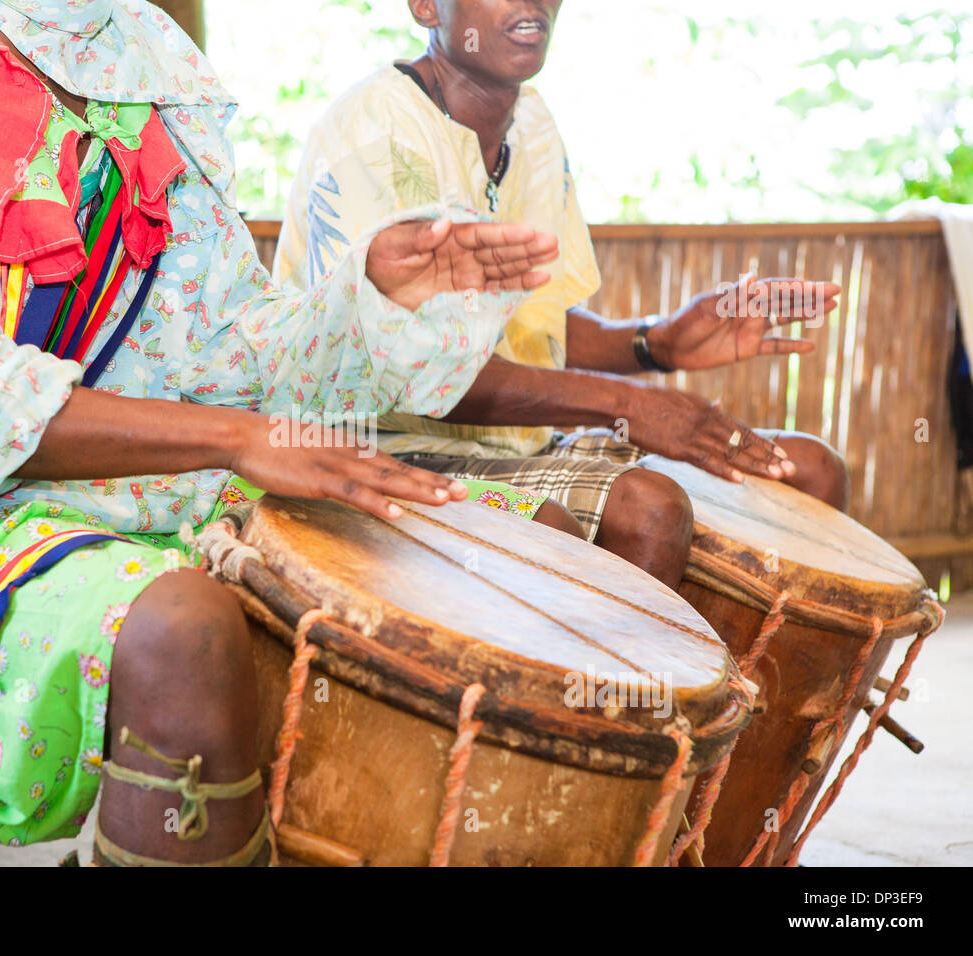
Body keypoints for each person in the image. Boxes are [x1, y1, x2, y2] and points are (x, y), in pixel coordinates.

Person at [0, 0, 562, 867]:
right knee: (184, 630)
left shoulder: (146, 60)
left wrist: (369, 297)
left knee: (511, 548)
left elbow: (225, 347)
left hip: (134, 495)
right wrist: (232, 438)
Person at [275, 0, 851, 589]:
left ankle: (739, 681)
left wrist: (657, 343)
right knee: (647, 509)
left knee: (810, 470)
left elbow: (535, 324)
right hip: (376, 447)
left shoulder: (533, 122)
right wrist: (626, 405)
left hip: (515, 444)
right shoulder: (375, 127)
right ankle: (635, 684)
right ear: (426, 7)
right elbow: (429, 376)